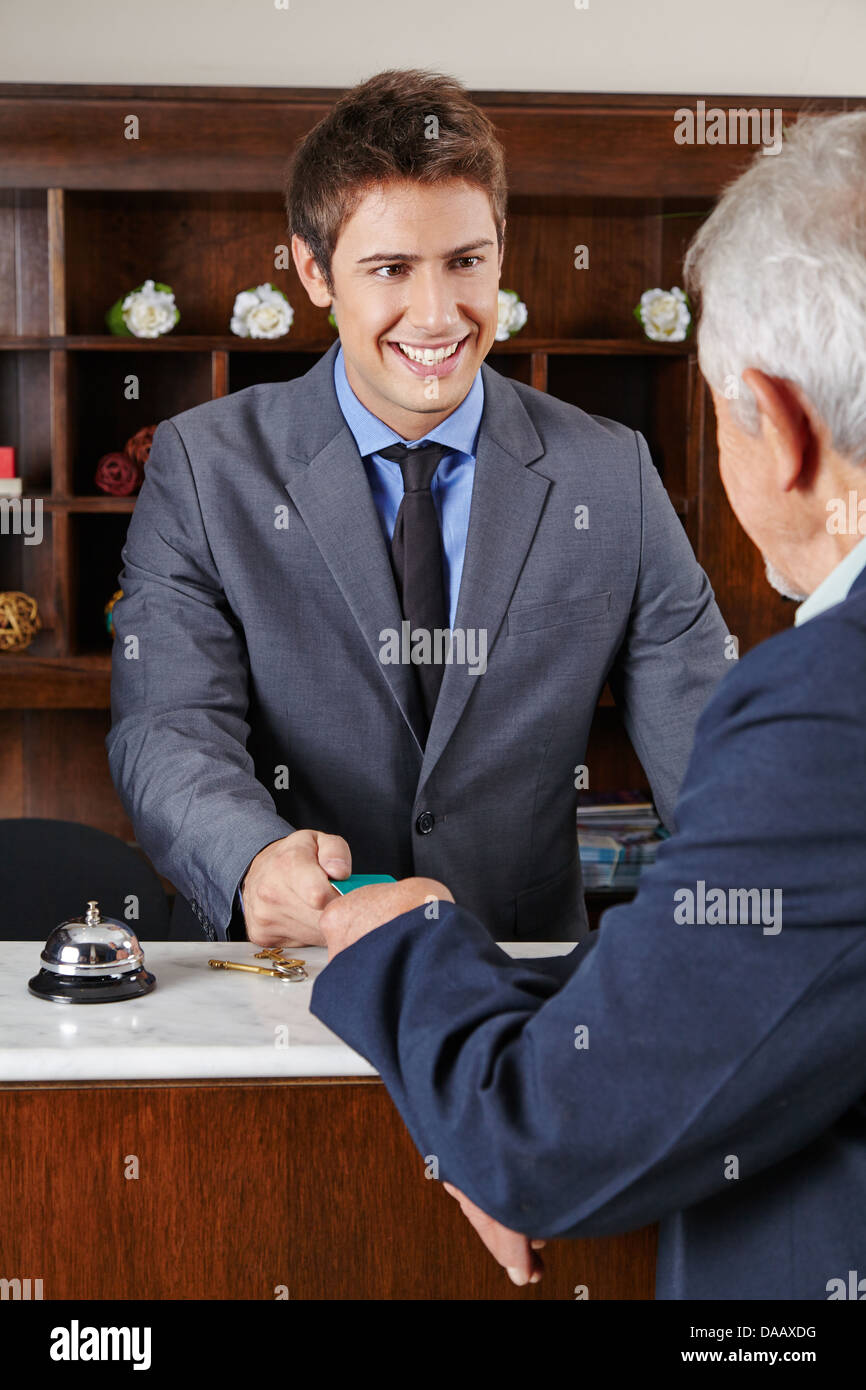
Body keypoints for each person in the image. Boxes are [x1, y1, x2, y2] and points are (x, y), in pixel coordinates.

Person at [310, 110, 866, 1300]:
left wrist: (395, 943)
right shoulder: (212, 464)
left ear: (779, 426)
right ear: (316, 277)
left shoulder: (831, 711)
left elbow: (548, 1137)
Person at [106, 68, 728, 947]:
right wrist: (253, 861)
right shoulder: (205, 466)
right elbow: (165, 725)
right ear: (314, 271)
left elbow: (713, 759)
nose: (437, 317)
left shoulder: (611, 474)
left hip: (517, 980)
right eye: (391, 268)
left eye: (466, 261)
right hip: (278, 970)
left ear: (502, 247)